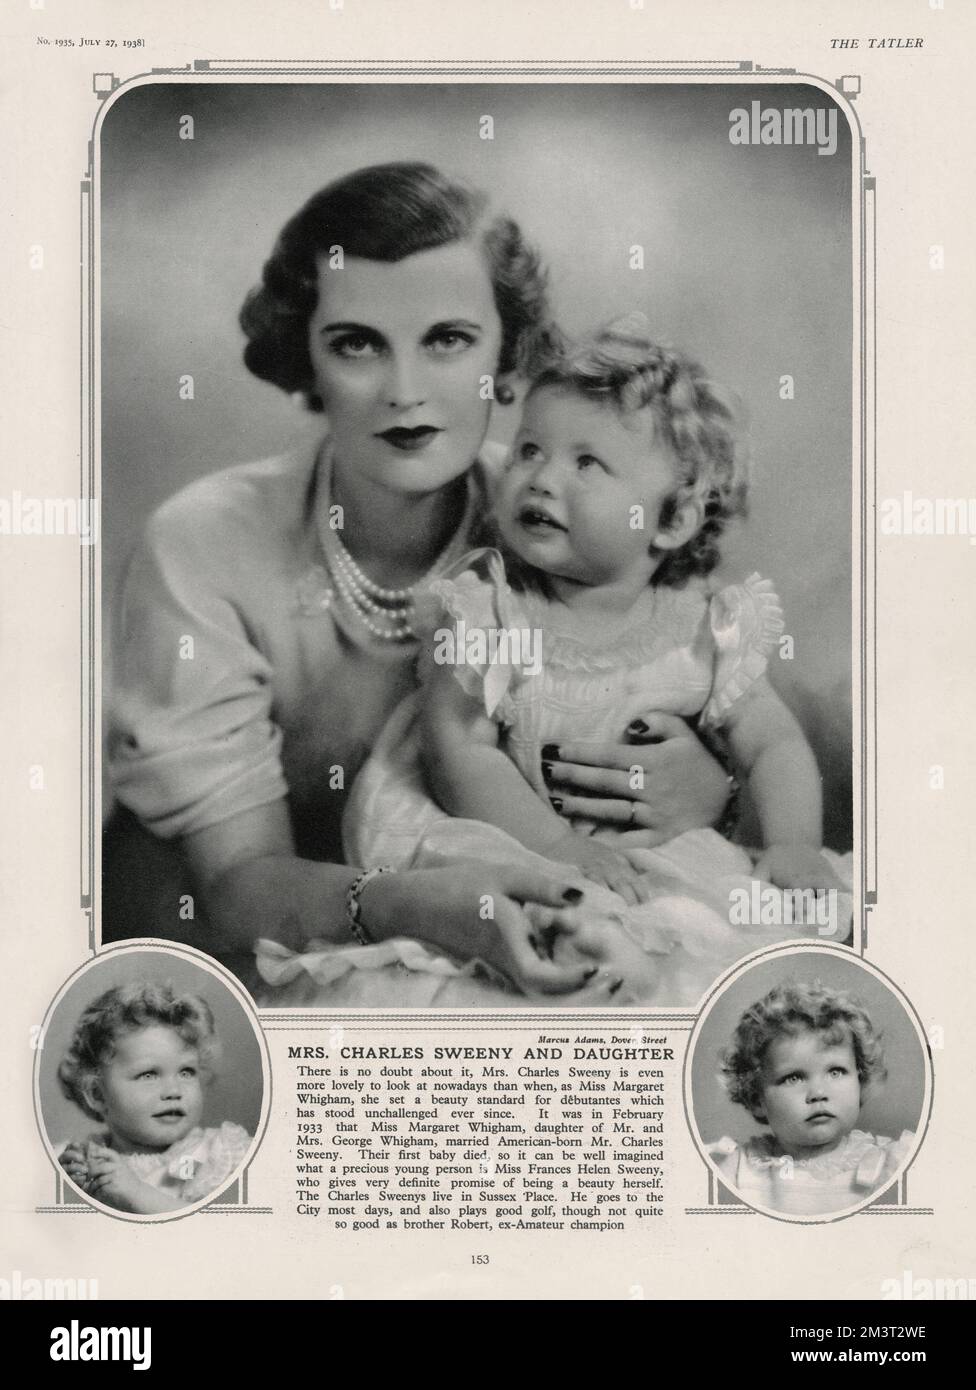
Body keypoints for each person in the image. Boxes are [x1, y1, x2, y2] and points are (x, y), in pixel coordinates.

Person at [106, 163, 730, 1001]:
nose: (405, 393)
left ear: (508, 354)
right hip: (228, 960)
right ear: (306, 359)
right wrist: (417, 907)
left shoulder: (562, 521)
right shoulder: (202, 543)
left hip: (505, 928)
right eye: (357, 343)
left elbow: (687, 680)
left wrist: (708, 783)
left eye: (447, 340)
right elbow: (232, 887)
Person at [314, 316, 848, 1004]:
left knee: (704, 941)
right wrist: (557, 846)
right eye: (530, 450)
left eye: (586, 463)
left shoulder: (702, 627)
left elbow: (772, 744)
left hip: (637, 854)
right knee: (504, 944)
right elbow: (458, 751)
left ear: (672, 521)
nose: (540, 478)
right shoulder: (490, 607)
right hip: (503, 829)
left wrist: (795, 841)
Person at [709, 980, 915, 1217]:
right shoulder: (738, 1169)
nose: (818, 1093)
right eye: (794, 1078)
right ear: (757, 1099)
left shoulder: (889, 1164)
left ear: (860, 1080)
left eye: (835, 1072)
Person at [56, 983, 252, 1214]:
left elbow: (224, 1236)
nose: (174, 1090)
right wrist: (67, 1190)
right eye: (149, 1075)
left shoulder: (220, 1155)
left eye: (186, 1072)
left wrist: (136, 1193)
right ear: (97, 1095)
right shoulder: (83, 1160)